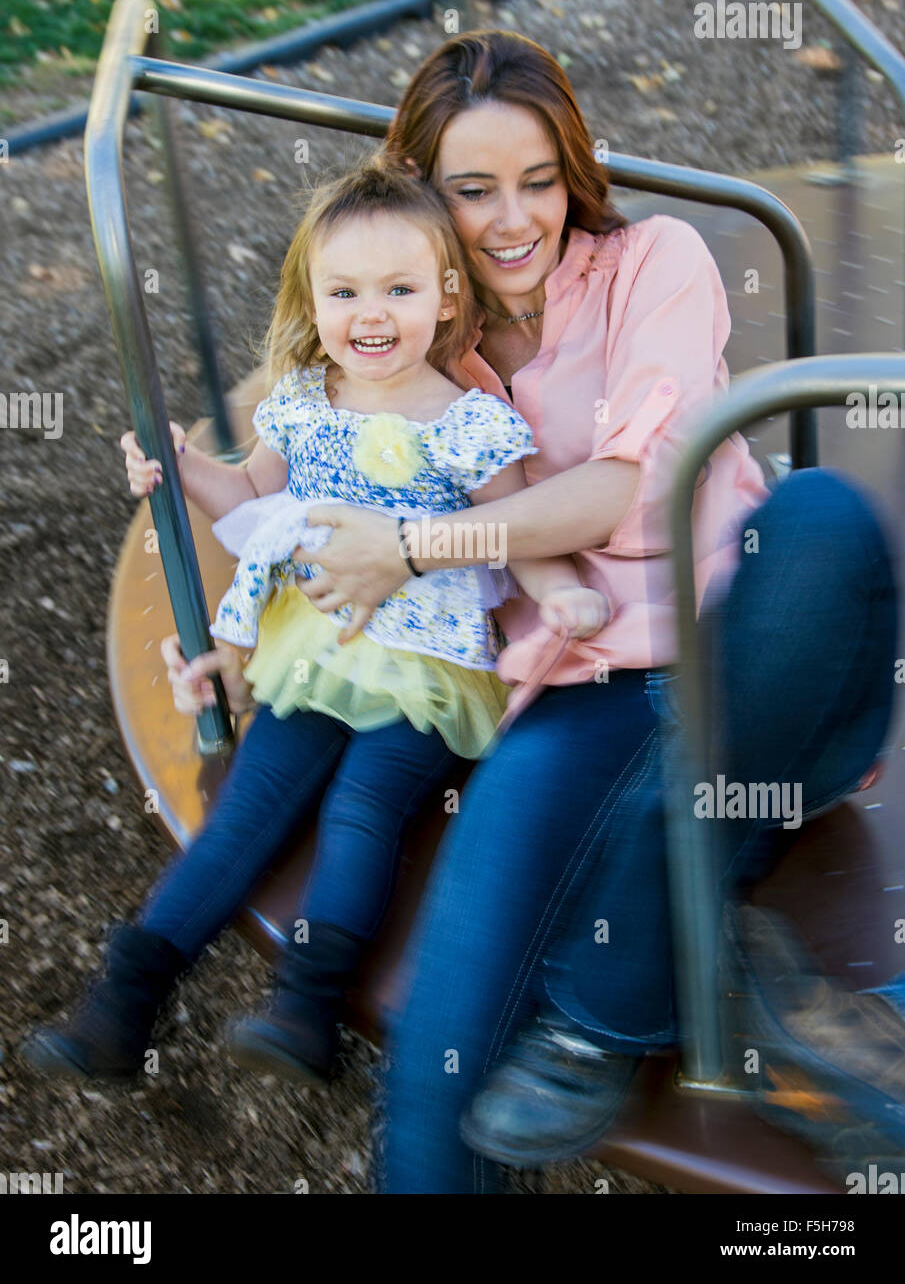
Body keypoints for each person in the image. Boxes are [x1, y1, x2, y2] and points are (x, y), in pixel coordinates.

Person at [277, 31, 899, 1192]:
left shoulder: (655, 262)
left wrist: (414, 545)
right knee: (439, 1053)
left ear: (572, 171)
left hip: (748, 660)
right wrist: (224, 640)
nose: (514, 220)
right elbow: (300, 494)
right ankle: (683, 941)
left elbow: (633, 484)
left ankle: (610, 1011)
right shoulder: (412, 343)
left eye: (538, 180)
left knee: (816, 515)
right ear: (422, 193)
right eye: (471, 192)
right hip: (576, 696)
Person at [20, 155, 608, 1089]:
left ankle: (307, 1005)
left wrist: (558, 585)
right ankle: (124, 999)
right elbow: (250, 493)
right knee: (247, 808)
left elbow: (506, 525)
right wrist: (178, 467)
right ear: (312, 296)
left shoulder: (467, 420)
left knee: (361, 807)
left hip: (425, 662)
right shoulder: (299, 400)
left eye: (399, 289)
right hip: (314, 643)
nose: (370, 315)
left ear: (447, 295)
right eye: (345, 292)